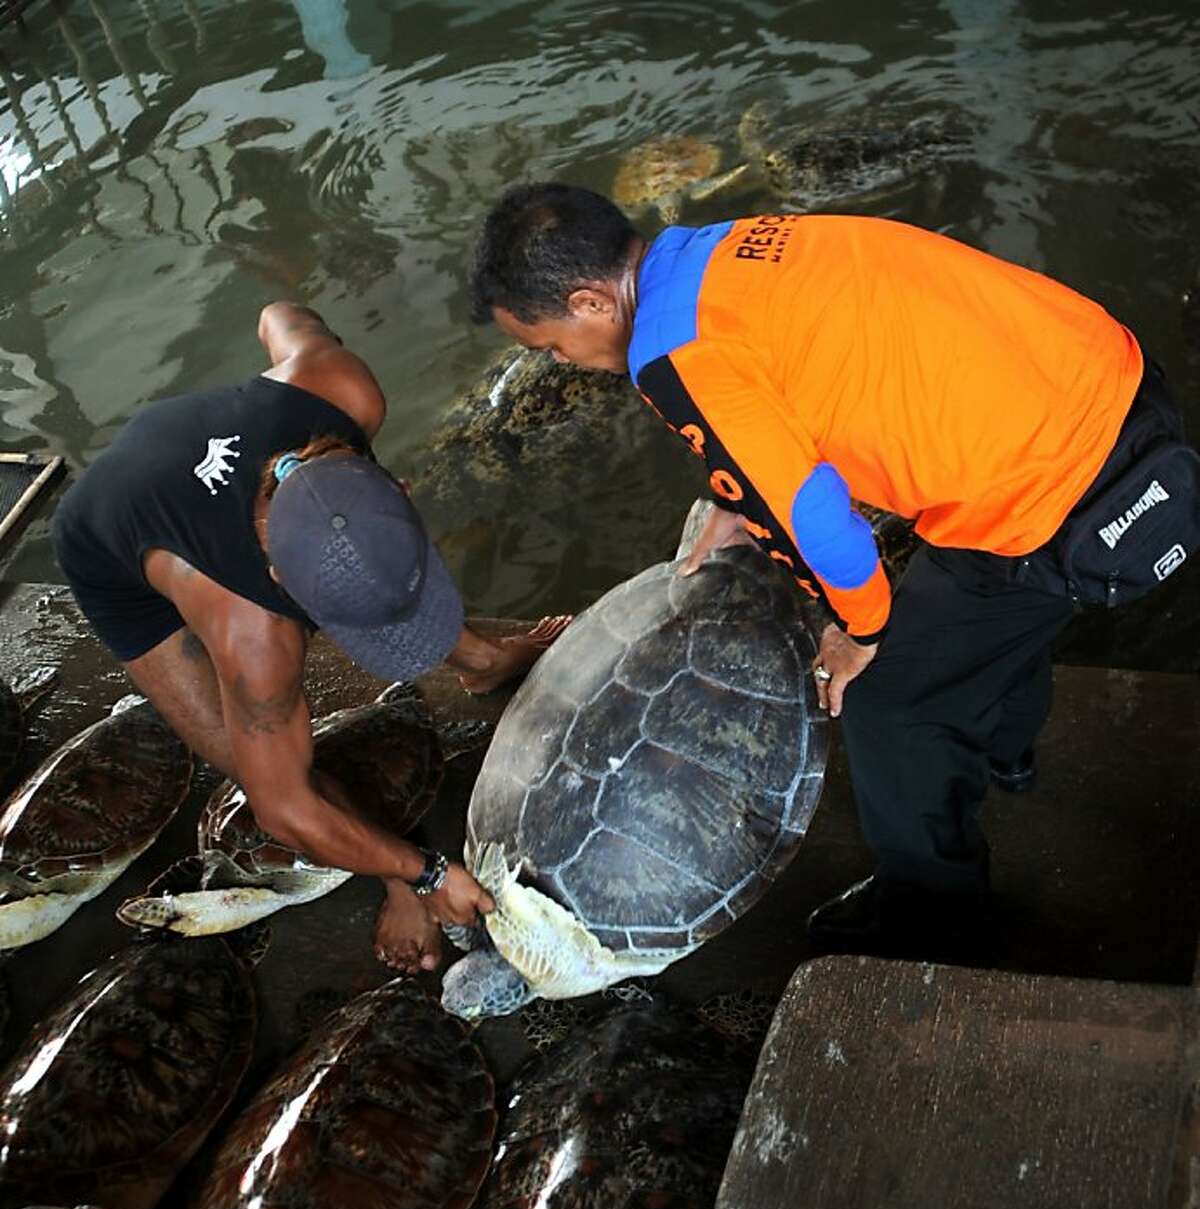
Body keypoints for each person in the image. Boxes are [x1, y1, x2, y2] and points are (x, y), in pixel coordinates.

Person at [468, 185, 1197, 961]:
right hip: (1103, 373)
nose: (560, 360)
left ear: (588, 300)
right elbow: (817, 377)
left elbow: (823, 529)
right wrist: (739, 490)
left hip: (1059, 493)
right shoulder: (720, 247)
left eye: (548, 345)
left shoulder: (669, 358)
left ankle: (934, 907)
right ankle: (1003, 756)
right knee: (993, 622)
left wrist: (861, 631)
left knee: (890, 700)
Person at [52, 301, 568, 974]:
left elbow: (278, 314)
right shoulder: (254, 635)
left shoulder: (342, 391)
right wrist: (427, 871)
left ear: (394, 486)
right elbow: (284, 811)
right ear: (277, 580)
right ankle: (392, 879)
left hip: (179, 451)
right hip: (107, 540)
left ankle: (483, 659)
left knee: (379, 571)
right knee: (259, 762)